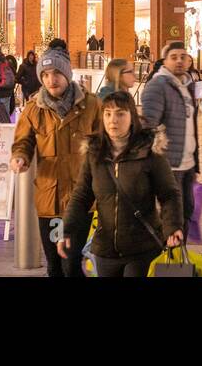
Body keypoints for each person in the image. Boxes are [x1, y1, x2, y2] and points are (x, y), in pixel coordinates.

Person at [60, 91, 184, 277]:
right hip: (105, 248)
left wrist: (172, 227)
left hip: (142, 247)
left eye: (120, 114)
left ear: (132, 117)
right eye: (108, 113)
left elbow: (169, 194)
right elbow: (82, 195)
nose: (113, 120)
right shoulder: (95, 152)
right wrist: (66, 229)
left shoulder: (149, 151)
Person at [10, 43, 102, 276]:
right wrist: (20, 157)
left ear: (68, 74)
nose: (52, 80)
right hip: (49, 201)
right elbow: (24, 141)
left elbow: (104, 144)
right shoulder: (34, 109)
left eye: (57, 73)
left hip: (81, 199)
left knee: (71, 263)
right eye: (46, 75)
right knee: (54, 264)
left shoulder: (91, 105)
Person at [140, 41, 200, 239]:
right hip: (169, 166)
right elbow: (148, 127)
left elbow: (191, 126)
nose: (180, 61)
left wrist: (196, 163)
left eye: (183, 57)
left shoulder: (185, 85)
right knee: (172, 219)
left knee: (186, 214)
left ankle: (178, 260)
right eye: (174, 57)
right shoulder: (157, 86)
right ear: (165, 61)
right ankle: (168, 260)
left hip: (187, 164)